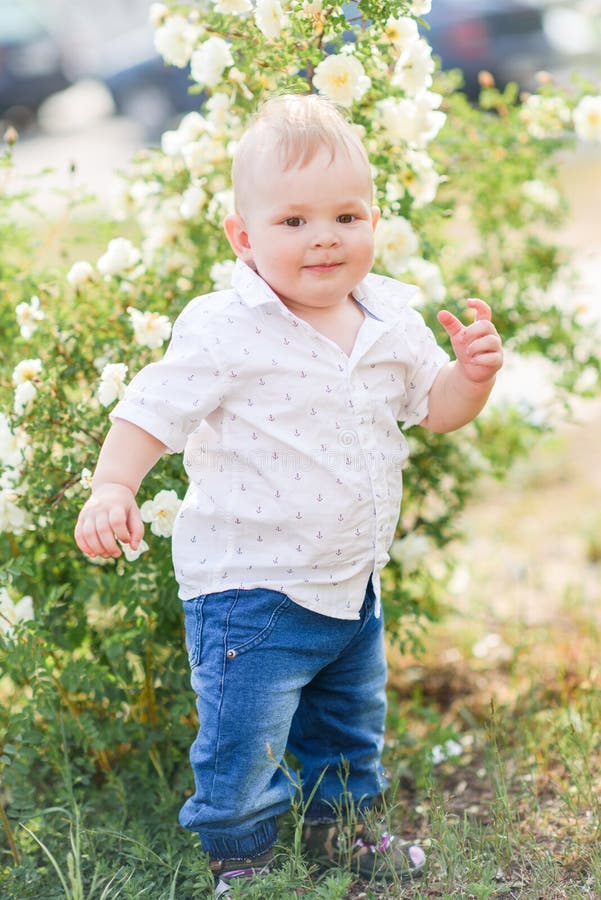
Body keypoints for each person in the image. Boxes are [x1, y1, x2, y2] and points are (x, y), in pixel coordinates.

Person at [74, 93, 503, 898]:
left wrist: (470, 376)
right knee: (243, 738)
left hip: (350, 583)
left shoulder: (389, 317)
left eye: (346, 216)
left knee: (347, 727)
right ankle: (240, 849)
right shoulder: (225, 326)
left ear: (374, 218)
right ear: (244, 237)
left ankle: (340, 827)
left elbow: (436, 410)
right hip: (250, 589)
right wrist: (113, 483)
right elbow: (152, 408)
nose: (324, 239)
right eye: (294, 222)